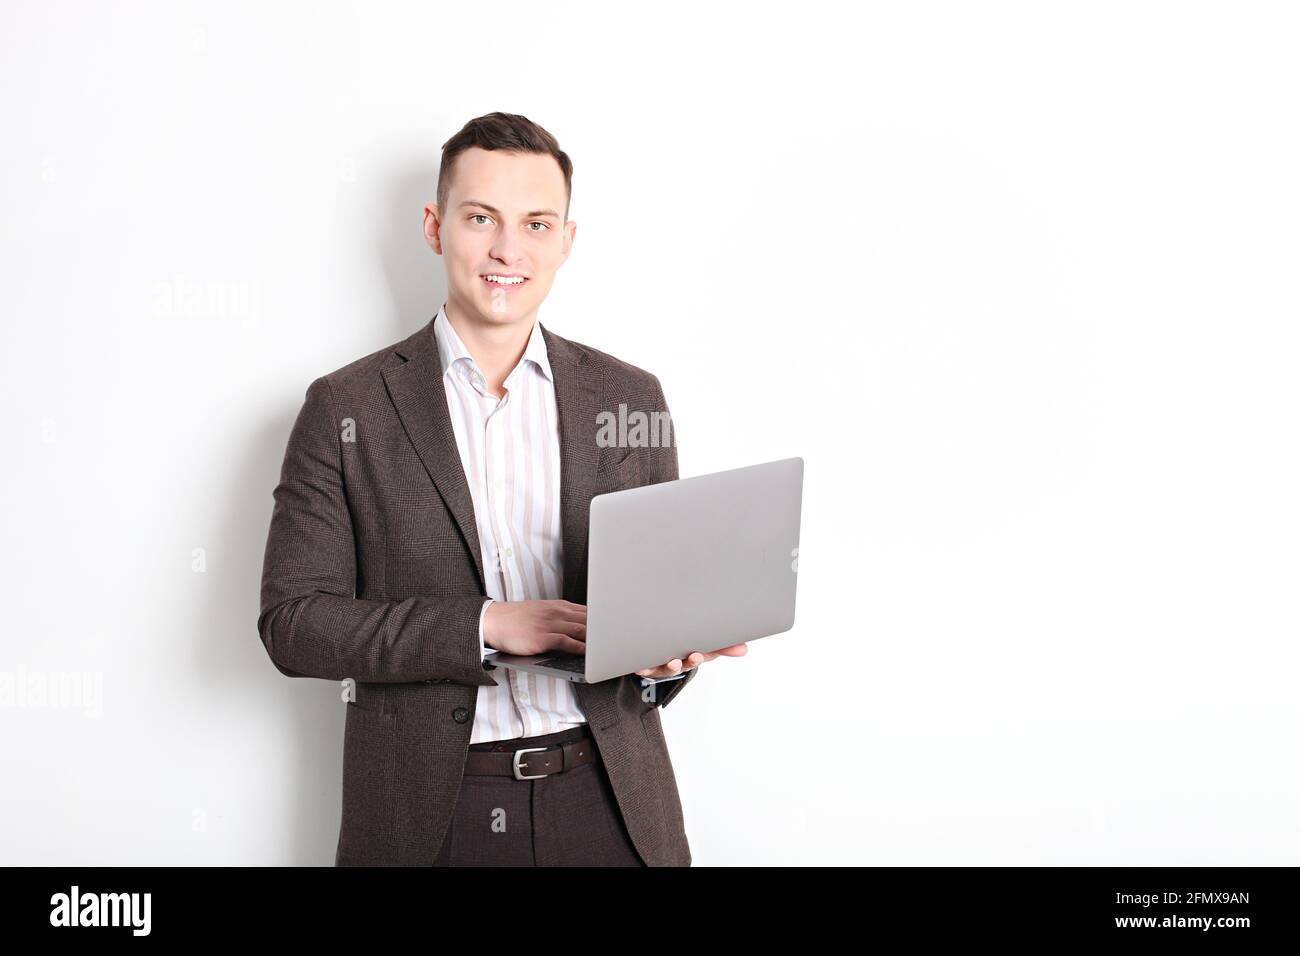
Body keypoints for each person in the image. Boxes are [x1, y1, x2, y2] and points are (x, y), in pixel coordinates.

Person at [257, 111, 745, 866]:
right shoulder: (345, 408)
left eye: (536, 223)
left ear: (566, 241)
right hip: (431, 816)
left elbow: (650, 634)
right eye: (481, 217)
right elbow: (294, 624)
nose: (508, 249)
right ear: (435, 225)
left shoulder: (630, 399)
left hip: (612, 805)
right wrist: (484, 626)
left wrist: (664, 657)